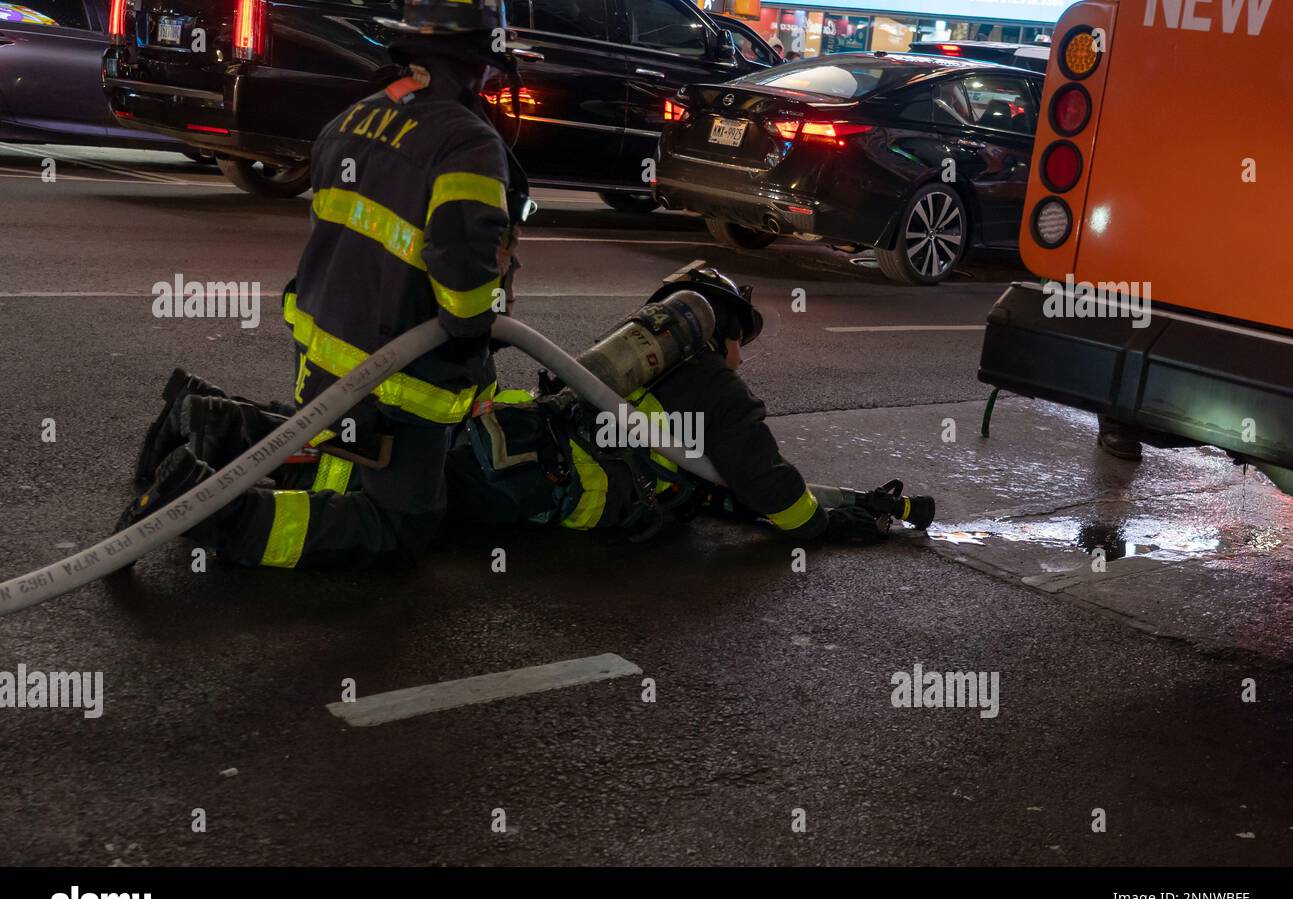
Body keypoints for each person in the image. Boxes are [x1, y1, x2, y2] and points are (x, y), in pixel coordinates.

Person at [118, 0, 529, 570]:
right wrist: (474, 335)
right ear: (482, 62)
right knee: (397, 523)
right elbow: (461, 268)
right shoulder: (468, 144)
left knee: (333, 449)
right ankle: (214, 515)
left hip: (323, 360)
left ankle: (213, 421)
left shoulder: (352, 117)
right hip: (396, 378)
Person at [443, 268, 932, 545]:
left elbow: (717, 483)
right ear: (725, 337)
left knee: (419, 480)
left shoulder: (631, 361)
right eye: (743, 343)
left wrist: (854, 501)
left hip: (510, 450)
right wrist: (819, 525)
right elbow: (761, 477)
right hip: (550, 495)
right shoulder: (718, 388)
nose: (742, 360)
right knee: (410, 513)